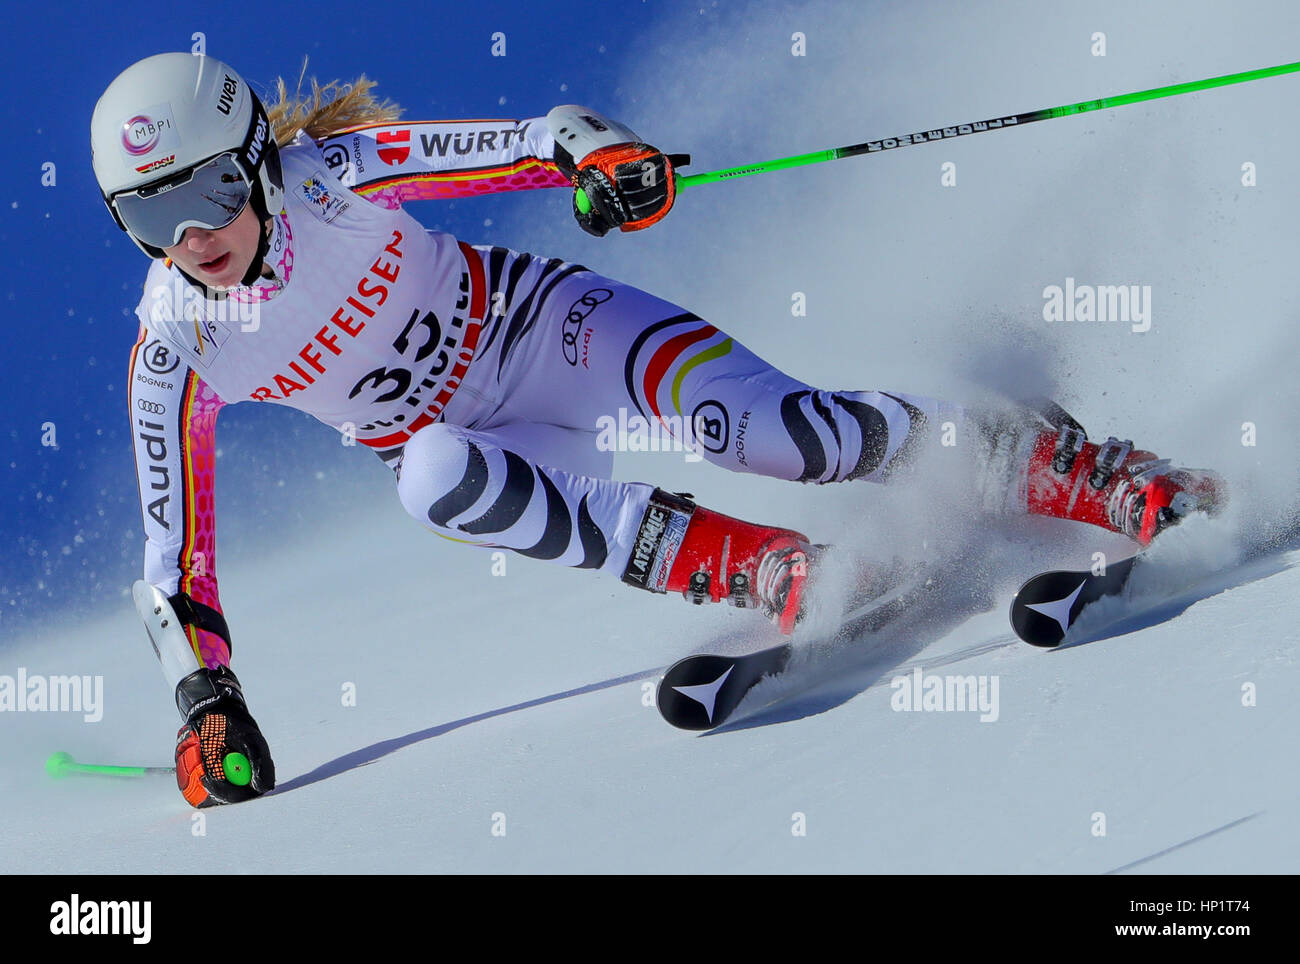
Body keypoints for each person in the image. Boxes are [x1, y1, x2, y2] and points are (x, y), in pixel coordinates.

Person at [91, 52, 1225, 808]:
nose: (187, 237)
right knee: (428, 476)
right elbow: (172, 566)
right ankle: (780, 574)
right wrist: (207, 699)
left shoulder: (329, 175)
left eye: (199, 195)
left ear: (250, 160)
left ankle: (1064, 463)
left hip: (545, 333)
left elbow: (530, 140)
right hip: (489, 445)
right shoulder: (176, 346)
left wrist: (601, 161)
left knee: (780, 433)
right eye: (147, 217)